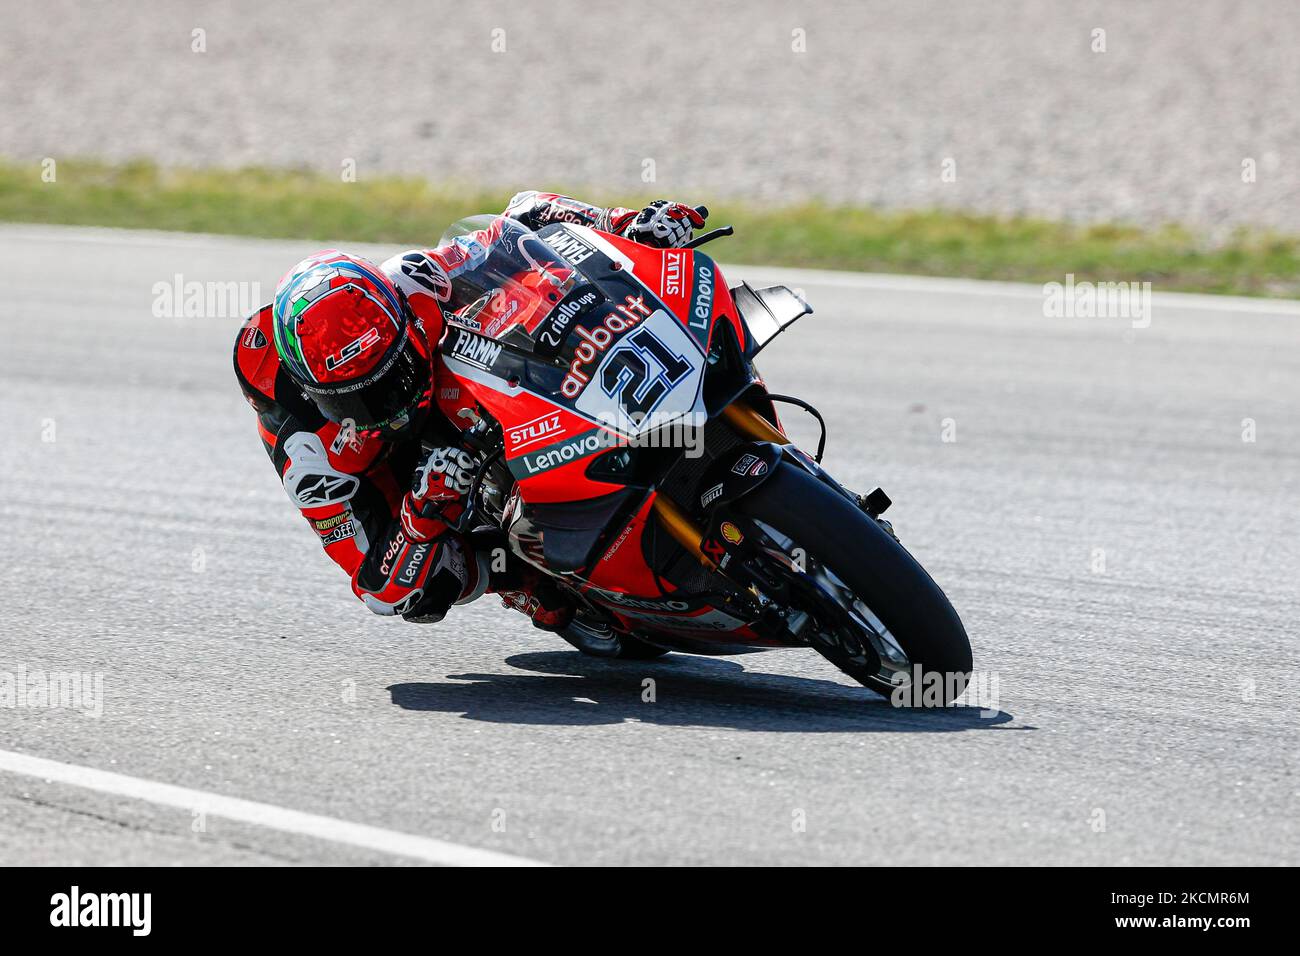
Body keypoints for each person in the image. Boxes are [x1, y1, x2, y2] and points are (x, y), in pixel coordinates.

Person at [233, 193, 705, 628]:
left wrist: (625, 223)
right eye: (362, 398)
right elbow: (375, 586)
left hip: (464, 378)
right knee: (422, 592)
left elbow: (520, 220)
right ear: (318, 395)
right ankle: (525, 581)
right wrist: (421, 513)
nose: (390, 402)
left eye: (394, 372)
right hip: (408, 482)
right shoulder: (310, 460)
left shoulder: (412, 279)